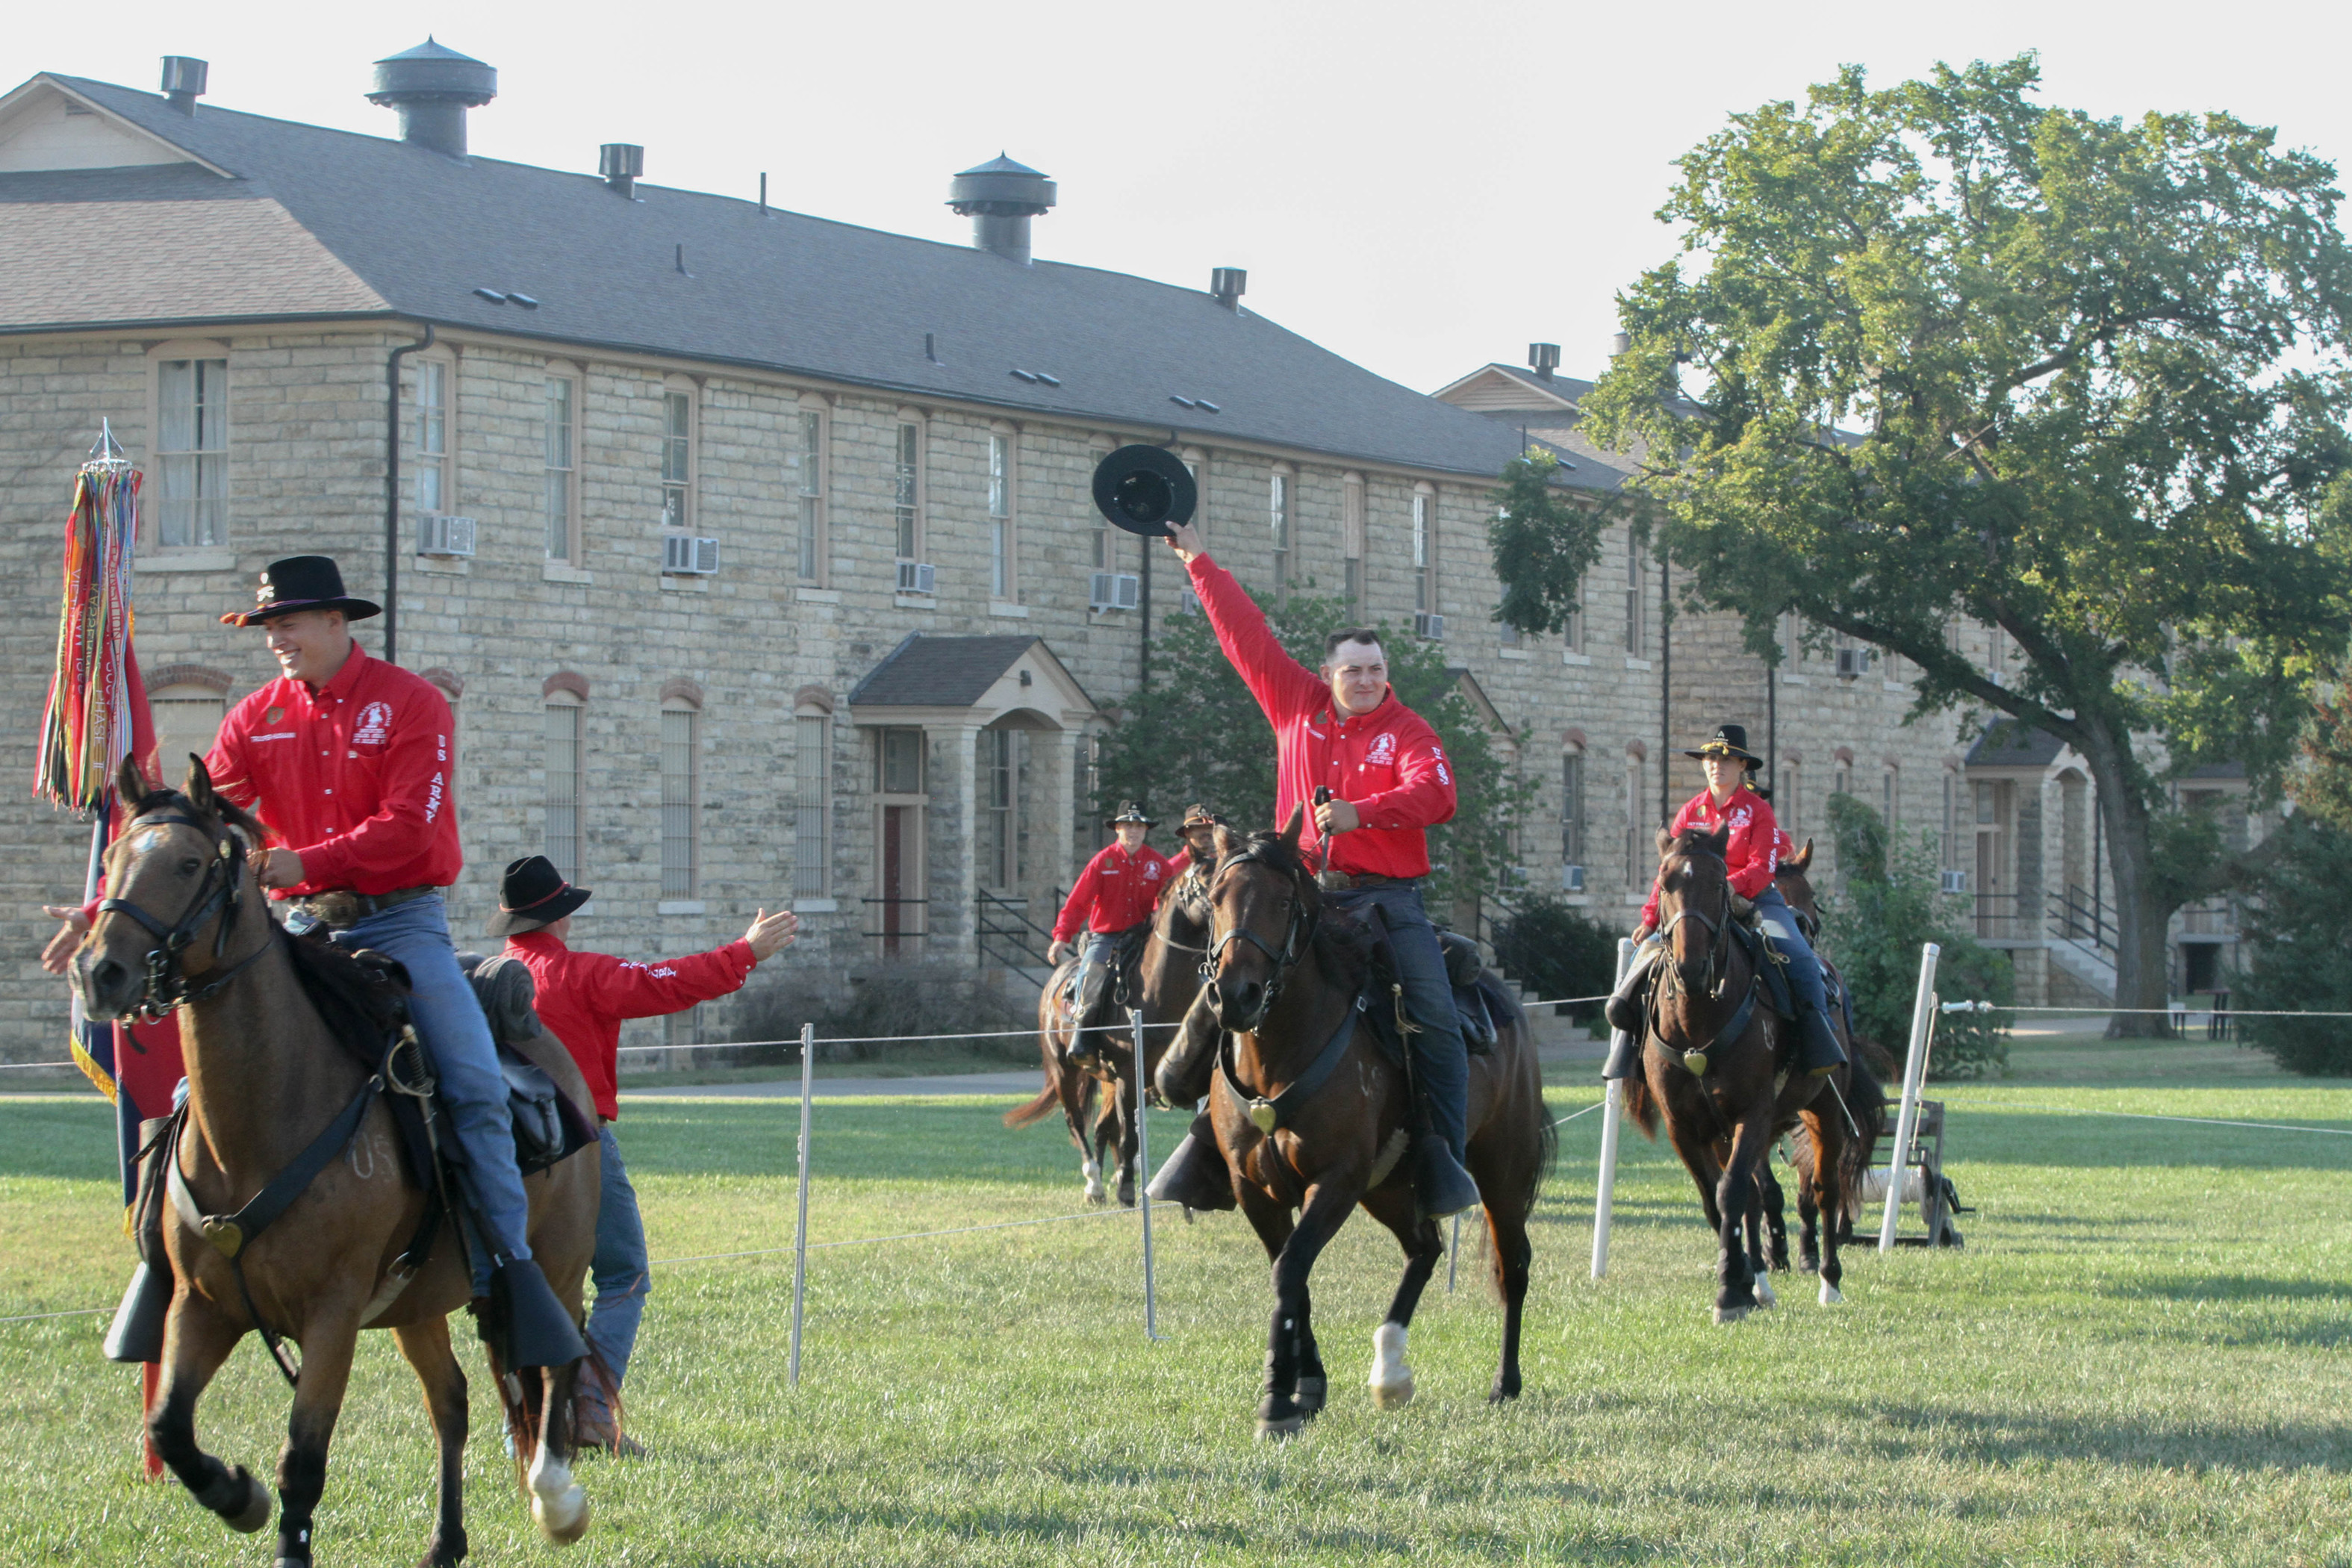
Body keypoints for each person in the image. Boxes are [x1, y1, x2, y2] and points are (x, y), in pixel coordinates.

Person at [46, 556, 582, 1365]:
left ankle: (508, 1268)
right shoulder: (256, 716)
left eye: (290, 624)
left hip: (402, 925)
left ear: (338, 623)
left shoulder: (412, 704)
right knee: (196, 1091)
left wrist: (305, 861)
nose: (278, 641)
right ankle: (166, 1266)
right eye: (268, 628)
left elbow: (410, 827)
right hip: (299, 931)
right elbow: (185, 829)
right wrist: (100, 914)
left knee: (471, 1080)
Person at [1145, 521, 1481, 1218]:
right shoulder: (1295, 705)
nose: (1365, 680)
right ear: (1328, 674)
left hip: (1387, 902)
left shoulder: (1409, 731)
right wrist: (1198, 559)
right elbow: (1246, 635)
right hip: (1297, 897)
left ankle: (1440, 1159)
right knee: (1234, 982)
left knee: (1434, 1016)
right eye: (1353, 670)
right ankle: (1204, 1138)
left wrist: (1366, 812)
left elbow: (1439, 795)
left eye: (1375, 669)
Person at [491, 855, 798, 1455]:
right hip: (578, 1145)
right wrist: (746, 952)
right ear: (560, 919)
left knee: (520, 1288)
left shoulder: (490, 977)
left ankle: (522, 1429)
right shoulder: (578, 974)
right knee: (623, 1277)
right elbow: (665, 982)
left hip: (502, 1150)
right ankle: (591, 1414)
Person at [1603, 724, 1846, 1078]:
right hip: (1698, 905)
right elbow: (1670, 872)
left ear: (1742, 767)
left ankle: (1817, 1042)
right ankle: (1630, 1047)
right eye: (1711, 758)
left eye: (1727, 759)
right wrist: (1651, 917)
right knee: (1643, 962)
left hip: (1756, 899)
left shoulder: (1758, 811)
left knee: (1800, 958)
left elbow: (1762, 868)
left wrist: (1728, 887)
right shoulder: (1690, 812)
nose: (1717, 764)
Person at [1047, 802, 1178, 1065]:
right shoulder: (1102, 861)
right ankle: (1082, 1038)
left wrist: (1157, 910)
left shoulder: (1158, 864)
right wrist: (1062, 936)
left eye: (1139, 826)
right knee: (1091, 976)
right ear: (1118, 829)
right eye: (1128, 825)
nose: (1134, 831)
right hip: (1107, 936)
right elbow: (1078, 902)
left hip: (1144, 936)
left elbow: (1169, 895)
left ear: (1145, 831)